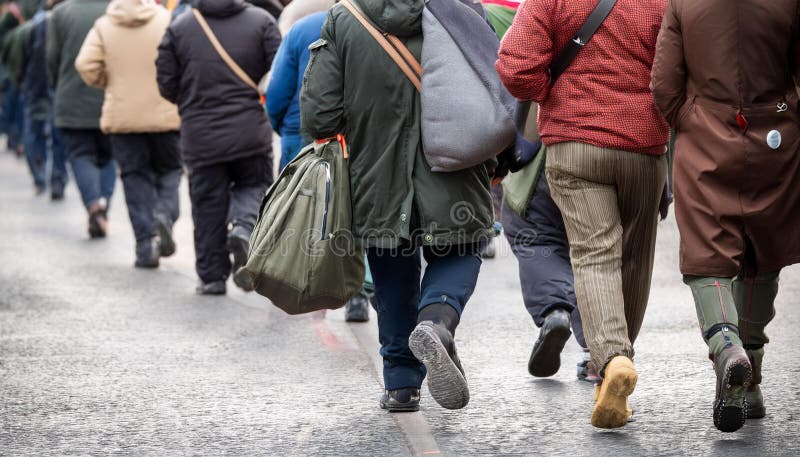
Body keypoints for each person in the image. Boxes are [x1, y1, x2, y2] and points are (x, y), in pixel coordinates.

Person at [301, 0, 494, 412]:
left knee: (392, 275)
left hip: (376, 176)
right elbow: (494, 86)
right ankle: (436, 324)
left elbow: (321, 115)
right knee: (461, 248)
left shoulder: (344, 18)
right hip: (456, 166)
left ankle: (402, 385)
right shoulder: (462, 10)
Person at [497, 0, 669, 428]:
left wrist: (551, 90)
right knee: (634, 258)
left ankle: (611, 361)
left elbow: (516, 68)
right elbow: (680, 72)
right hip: (644, 150)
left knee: (595, 255)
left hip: (575, 146)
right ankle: (611, 368)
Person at [652, 0, 800, 433]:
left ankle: (726, 346)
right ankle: (751, 377)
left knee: (708, 256)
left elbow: (664, 84)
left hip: (704, 135)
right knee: (763, 253)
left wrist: (691, 118)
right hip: (777, 135)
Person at [483, 0, 596, 383]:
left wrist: (543, 94)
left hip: (558, 142)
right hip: (631, 145)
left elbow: (516, 69)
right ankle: (602, 354)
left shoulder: (545, 4)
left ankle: (554, 311)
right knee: (603, 248)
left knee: (533, 232)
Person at [157, 0, 280, 294]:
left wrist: (192, 102)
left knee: (207, 203)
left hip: (200, 135)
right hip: (250, 130)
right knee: (255, 184)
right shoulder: (261, 21)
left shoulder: (180, 27)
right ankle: (243, 226)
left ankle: (212, 277)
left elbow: (166, 83)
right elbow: (279, 73)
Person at [76, 0, 182, 268]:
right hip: (165, 115)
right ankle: (165, 214)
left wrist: (109, 83)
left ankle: (145, 245)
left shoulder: (104, 25)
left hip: (123, 117)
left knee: (135, 177)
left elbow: (86, 64)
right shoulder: (165, 19)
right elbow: (182, 59)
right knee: (170, 170)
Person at [47, 0, 115, 238]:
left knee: (80, 154)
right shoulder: (115, 8)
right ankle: (104, 205)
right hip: (109, 95)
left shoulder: (60, 12)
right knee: (107, 156)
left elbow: (52, 58)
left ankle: (94, 205)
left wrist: (59, 85)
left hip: (71, 96)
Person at [266, 10, 324, 170]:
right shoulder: (370, 26)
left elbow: (276, 94)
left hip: (299, 133)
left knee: (298, 193)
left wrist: (283, 128)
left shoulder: (301, 27)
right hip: (356, 137)